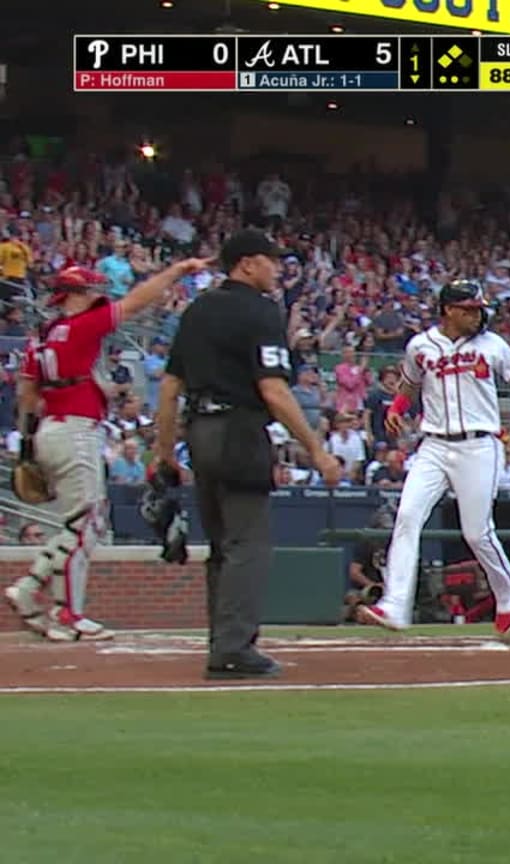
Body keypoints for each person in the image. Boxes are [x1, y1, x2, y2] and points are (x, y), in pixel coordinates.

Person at [356, 279, 510, 637]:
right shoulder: (420, 345)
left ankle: (507, 591)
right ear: (449, 311)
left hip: (479, 445)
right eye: (470, 309)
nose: (478, 314)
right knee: (406, 518)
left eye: (479, 308)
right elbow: (410, 382)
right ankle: (394, 606)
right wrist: (398, 406)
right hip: (434, 445)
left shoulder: (492, 344)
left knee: (476, 532)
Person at [153, 229, 343, 680]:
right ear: (247, 264)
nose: (277, 269)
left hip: (198, 432)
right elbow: (273, 389)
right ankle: (234, 649)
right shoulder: (260, 311)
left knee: (221, 545)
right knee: (249, 544)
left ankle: (223, 642)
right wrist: (316, 449)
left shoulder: (198, 309)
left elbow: (169, 388)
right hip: (238, 429)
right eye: (270, 261)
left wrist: (163, 453)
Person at [4, 258, 211, 642]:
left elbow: (27, 396)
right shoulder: (80, 325)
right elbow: (135, 303)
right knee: (88, 524)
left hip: (51, 430)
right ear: (74, 296)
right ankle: (65, 610)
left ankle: (32, 587)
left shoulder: (42, 336)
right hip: (76, 431)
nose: (97, 295)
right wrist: (175, 273)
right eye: (90, 290)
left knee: (81, 523)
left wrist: (29, 446)